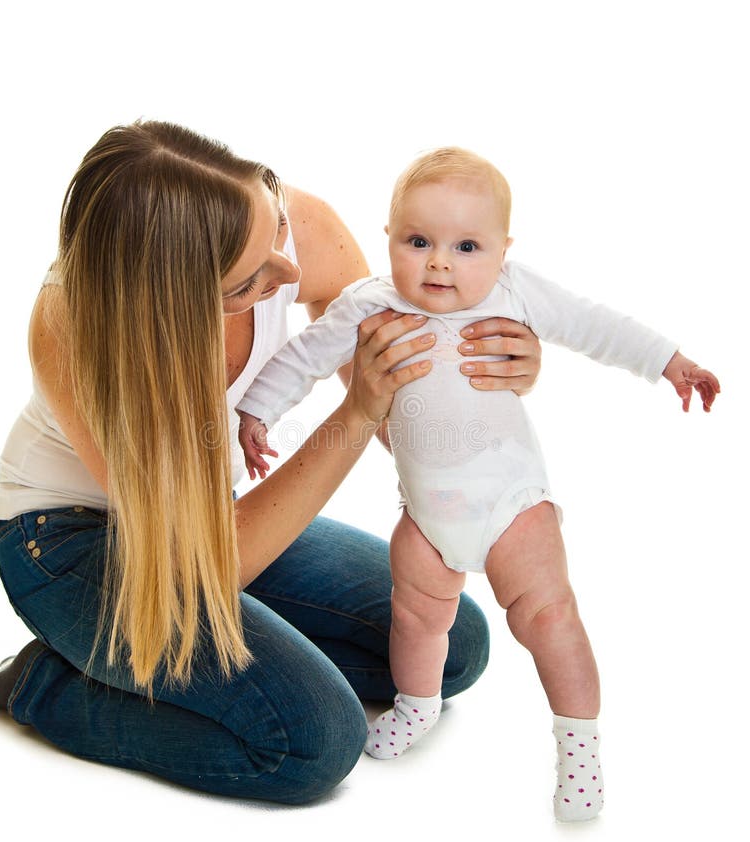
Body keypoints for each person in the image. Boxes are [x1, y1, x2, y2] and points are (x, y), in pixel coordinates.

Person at [0, 123, 544, 805]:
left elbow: (406, 377)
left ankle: (185, 670)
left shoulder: (295, 224)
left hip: (212, 522)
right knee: (313, 740)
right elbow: (210, 565)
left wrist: (491, 395)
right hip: (70, 543)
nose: (290, 273)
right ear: (172, 299)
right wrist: (355, 412)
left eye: (273, 228)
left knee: (449, 646)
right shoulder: (74, 326)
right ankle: (48, 685)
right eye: (248, 284)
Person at [236, 147, 720, 820]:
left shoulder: (514, 294)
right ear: (389, 239)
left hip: (511, 505)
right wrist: (258, 410)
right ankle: (417, 706)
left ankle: (578, 746)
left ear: (502, 250)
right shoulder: (366, 304)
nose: (439, 262)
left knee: (548, 617)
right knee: (417, 617)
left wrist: (668, 361)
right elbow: (303, 358)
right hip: (426, 515)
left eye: (466, 246)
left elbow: (593, 324)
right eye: (418, 241)